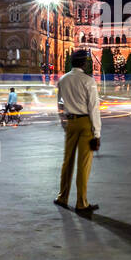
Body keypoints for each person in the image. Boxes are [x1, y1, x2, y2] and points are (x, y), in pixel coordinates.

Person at [54, 49, 101, 216]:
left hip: (70, 122)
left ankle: (62, 197)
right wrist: (97, 133)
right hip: (85, 123)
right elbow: (93, 108)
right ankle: (81, 203)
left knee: (67, 161)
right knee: (83, 164)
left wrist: (64, 122)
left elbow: (59, 104)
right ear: (83, 63)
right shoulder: (88, 81)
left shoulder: (63, 80)